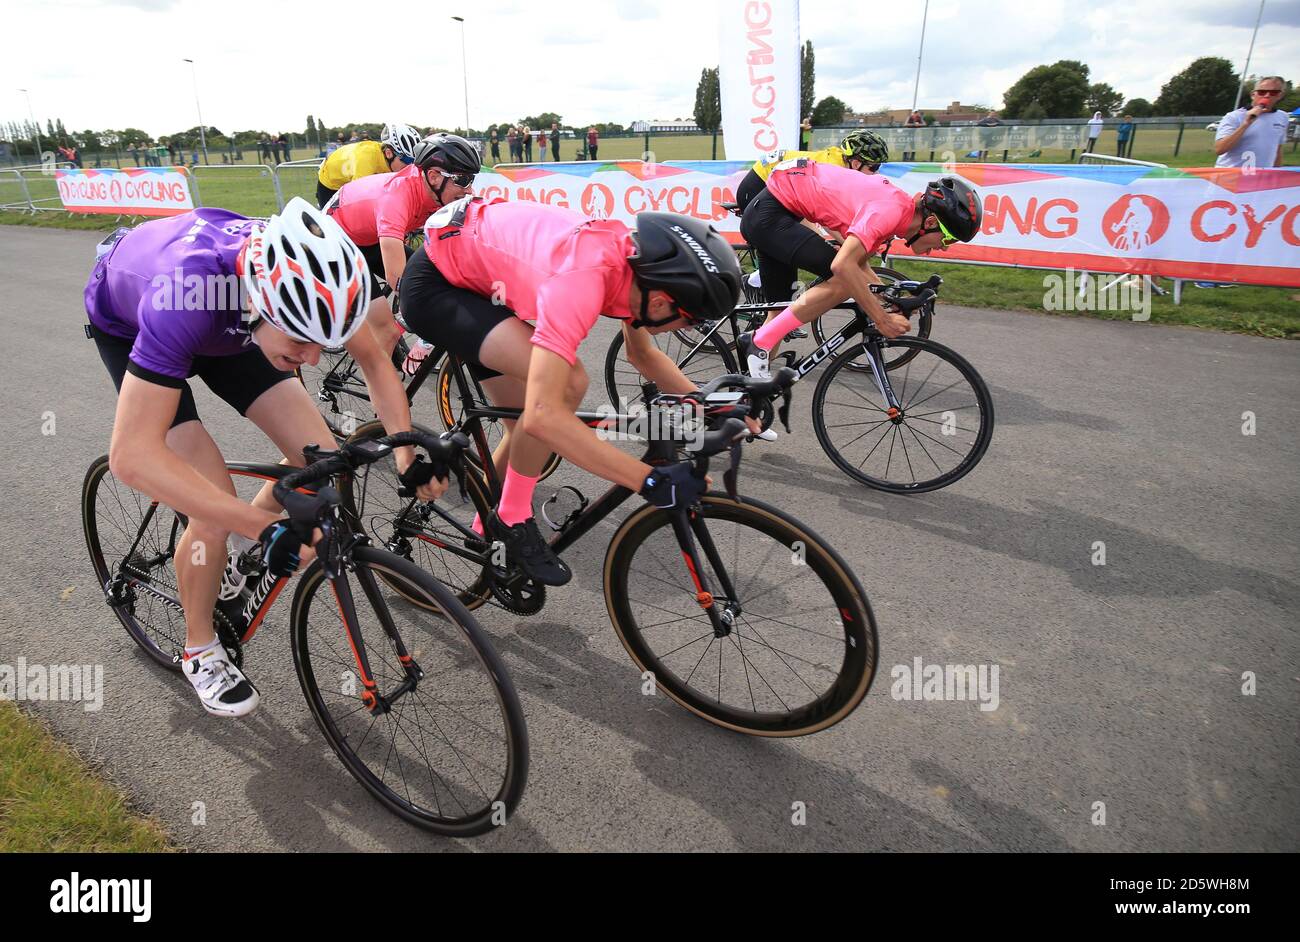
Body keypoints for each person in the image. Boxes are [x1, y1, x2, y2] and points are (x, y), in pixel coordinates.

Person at [85, 199, 440, 717]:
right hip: (139, 324)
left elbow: (374, 363)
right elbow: (131, 456)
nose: (314, 360)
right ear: (260, 302)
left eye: (324, 343)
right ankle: (199, 648)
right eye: (302, 340)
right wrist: (258, 526)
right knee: (211, 506)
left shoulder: (313, 279)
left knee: (317, 460)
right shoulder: (186, 292)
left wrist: (407, 454)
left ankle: (238, 562)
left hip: (234, 328)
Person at [398, 198, 745, 585]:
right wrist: (649, 480)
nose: (690, 328)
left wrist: (715, 406)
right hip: (438, 285)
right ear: (663, 302)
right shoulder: (583, 280)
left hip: (479, 273)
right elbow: (546, 416)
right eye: (692, 319)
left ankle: (484, 527)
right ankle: (511, 519)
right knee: (566, 386)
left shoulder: (638, 274)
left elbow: (643, 355)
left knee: (522, 428)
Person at [737, 166, 982, 378]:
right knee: (843, 281)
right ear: (930, 223)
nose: (941, 247)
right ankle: (757, 341)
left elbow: (860, 264)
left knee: (778, 317)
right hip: (772, 214)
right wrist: (882, 319)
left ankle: (746, 403)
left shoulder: (897, 213)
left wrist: (887, 299)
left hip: (777, 213)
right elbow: (843, 266)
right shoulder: (889, 211)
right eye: (947, 239)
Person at [327, 132, 480, 359]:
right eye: (462, 179)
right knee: (387, 331)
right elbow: (396, 277)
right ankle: (380, 390)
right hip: (335, 243)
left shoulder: (444, 191)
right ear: (434, 176)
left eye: (471, 180)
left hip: (366, 237)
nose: (468, 189)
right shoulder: (397, 197)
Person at [734, 128, 889, 214]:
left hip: (773, 181)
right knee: (784, 249)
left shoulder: (842, 163)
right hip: (759, 183)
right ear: (856, 163)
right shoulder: (834, 170)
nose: (876, 173)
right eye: (874, 167)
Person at [315, 122, 420, 208]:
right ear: (389, 153)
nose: (409, 166)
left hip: (347, 176)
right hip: (330, 185)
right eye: (407, 160)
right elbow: (357, 199)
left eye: (413, 162)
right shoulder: (367, 160)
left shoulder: (389, 159)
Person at [1214, 76, 1289, 169]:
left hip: (1262, 177)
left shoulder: (1283, 117)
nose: (1267, 95)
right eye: (1262, 92)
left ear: (1280, 95)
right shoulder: (1234, 116)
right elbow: (1220, 149)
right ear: (1253, 94)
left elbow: (1277, 149)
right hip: (1231, 176)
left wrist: (1277, 174)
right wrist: (1246, 123)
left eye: (1274, 92)